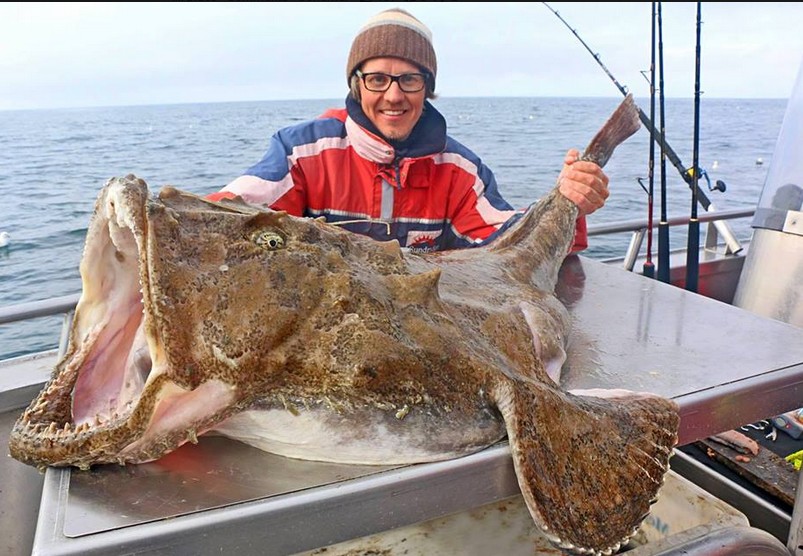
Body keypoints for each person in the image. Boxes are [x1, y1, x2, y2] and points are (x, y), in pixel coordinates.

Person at [207, 7, 610, 253]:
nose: (394, 96)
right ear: (356, 84)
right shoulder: (301, 154)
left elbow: (509, 242)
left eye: (410, 80)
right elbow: (231, 216)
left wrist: (568, 201)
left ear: (428, 88)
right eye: (378, 79)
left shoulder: (460, 172)